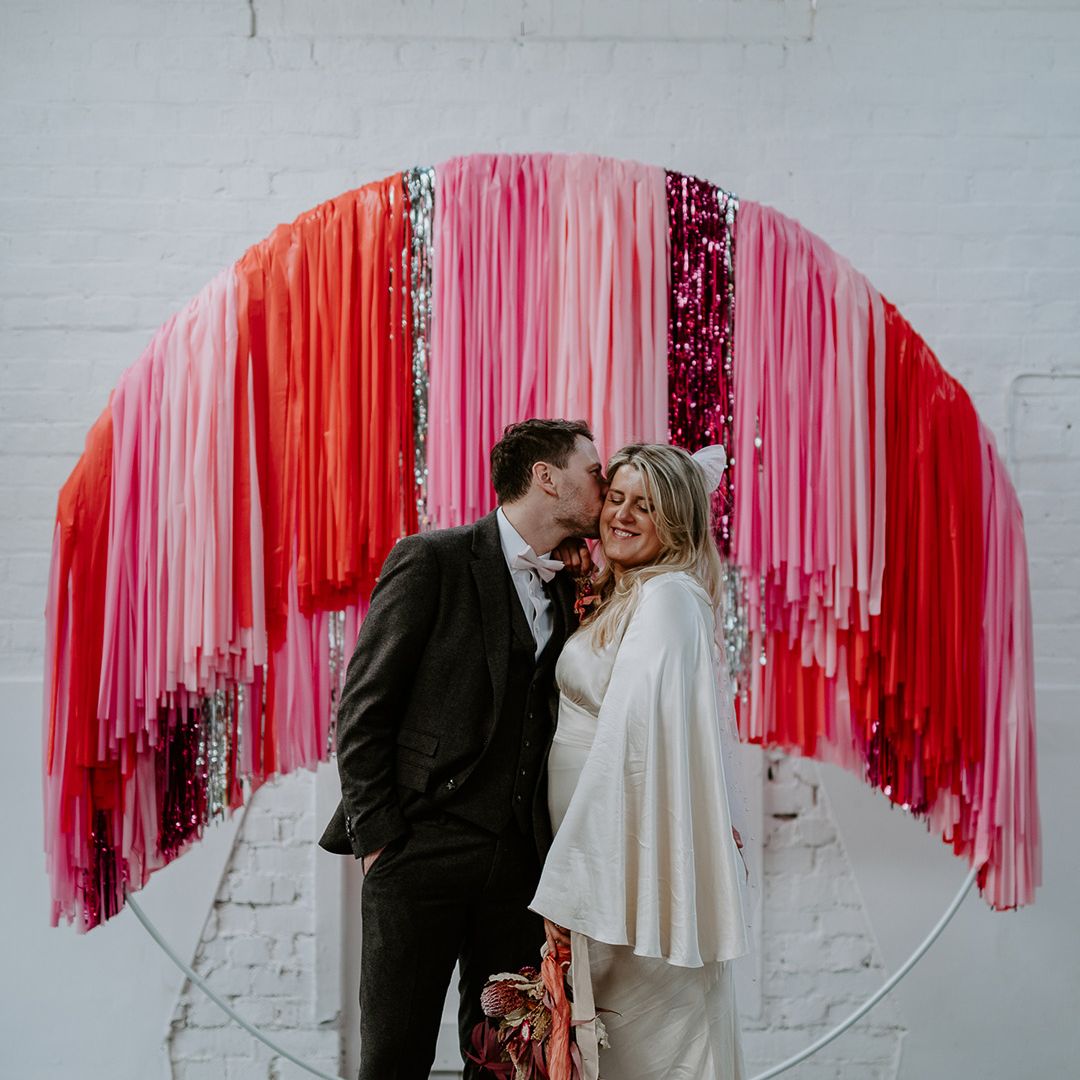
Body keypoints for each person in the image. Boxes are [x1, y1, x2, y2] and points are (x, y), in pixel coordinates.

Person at [318, 418, 606, 1080]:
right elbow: (363, 709)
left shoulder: (566, 587)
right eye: (593, 470)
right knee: (395, 1058)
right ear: (545, 475)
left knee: (506, 1062)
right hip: (418, 852)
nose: (605, 482)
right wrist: (380, 842)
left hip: (518, 870)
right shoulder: (433, 558)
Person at [530, 443, 749, 1080]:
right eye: (616, 499)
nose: (621, 516)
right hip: (604, 867)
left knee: (650, 1051)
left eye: (644, 506)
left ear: (676, 521)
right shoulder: (633, 594)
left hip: (627, 873)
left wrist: (572, 888)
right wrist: (581, 582)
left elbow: (634, 749)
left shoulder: (669, 599)